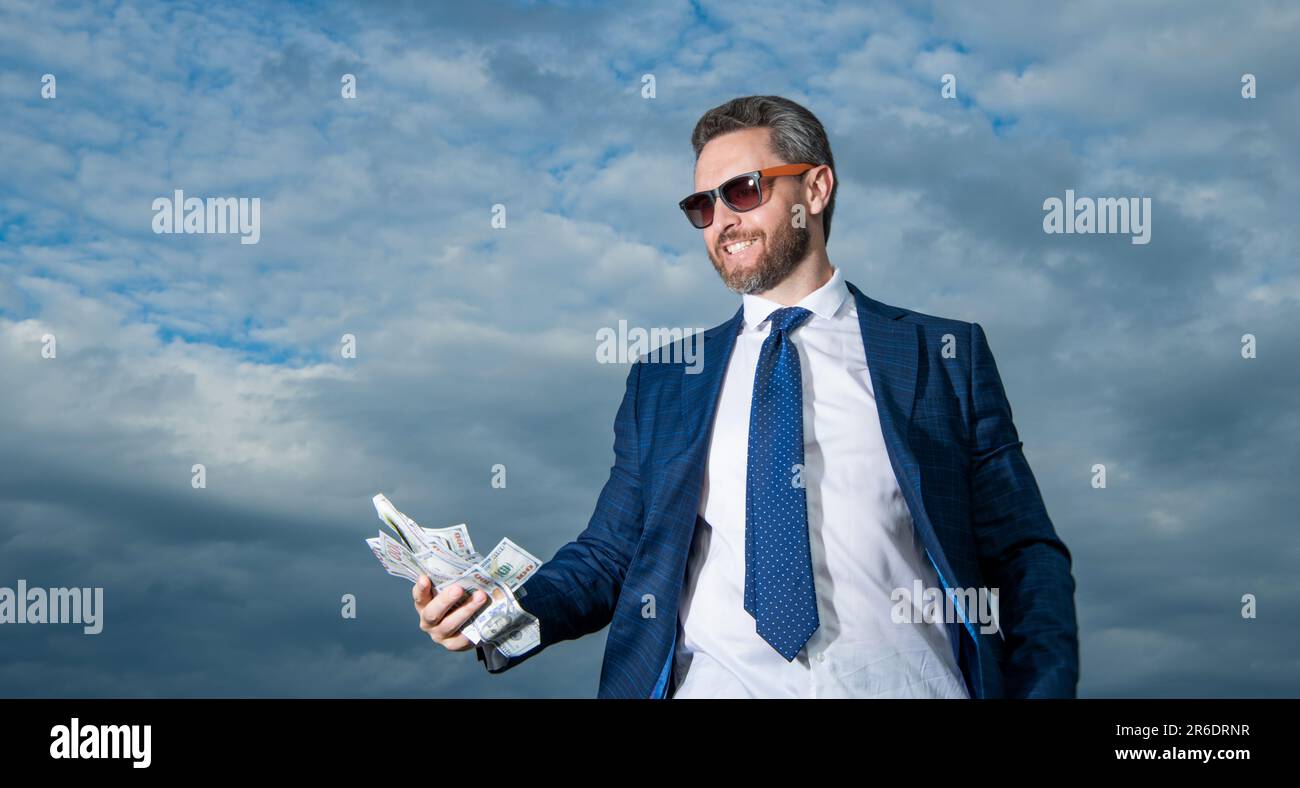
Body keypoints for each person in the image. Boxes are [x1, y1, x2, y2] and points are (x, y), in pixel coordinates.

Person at [412, 95, 1078, 699]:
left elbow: (1022, 554)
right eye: (702, 205)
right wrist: (497, 612)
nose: (721, 221)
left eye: (742, 191)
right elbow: (609, 556)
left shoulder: (940, 357)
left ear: (814, 188)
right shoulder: (665, 380)